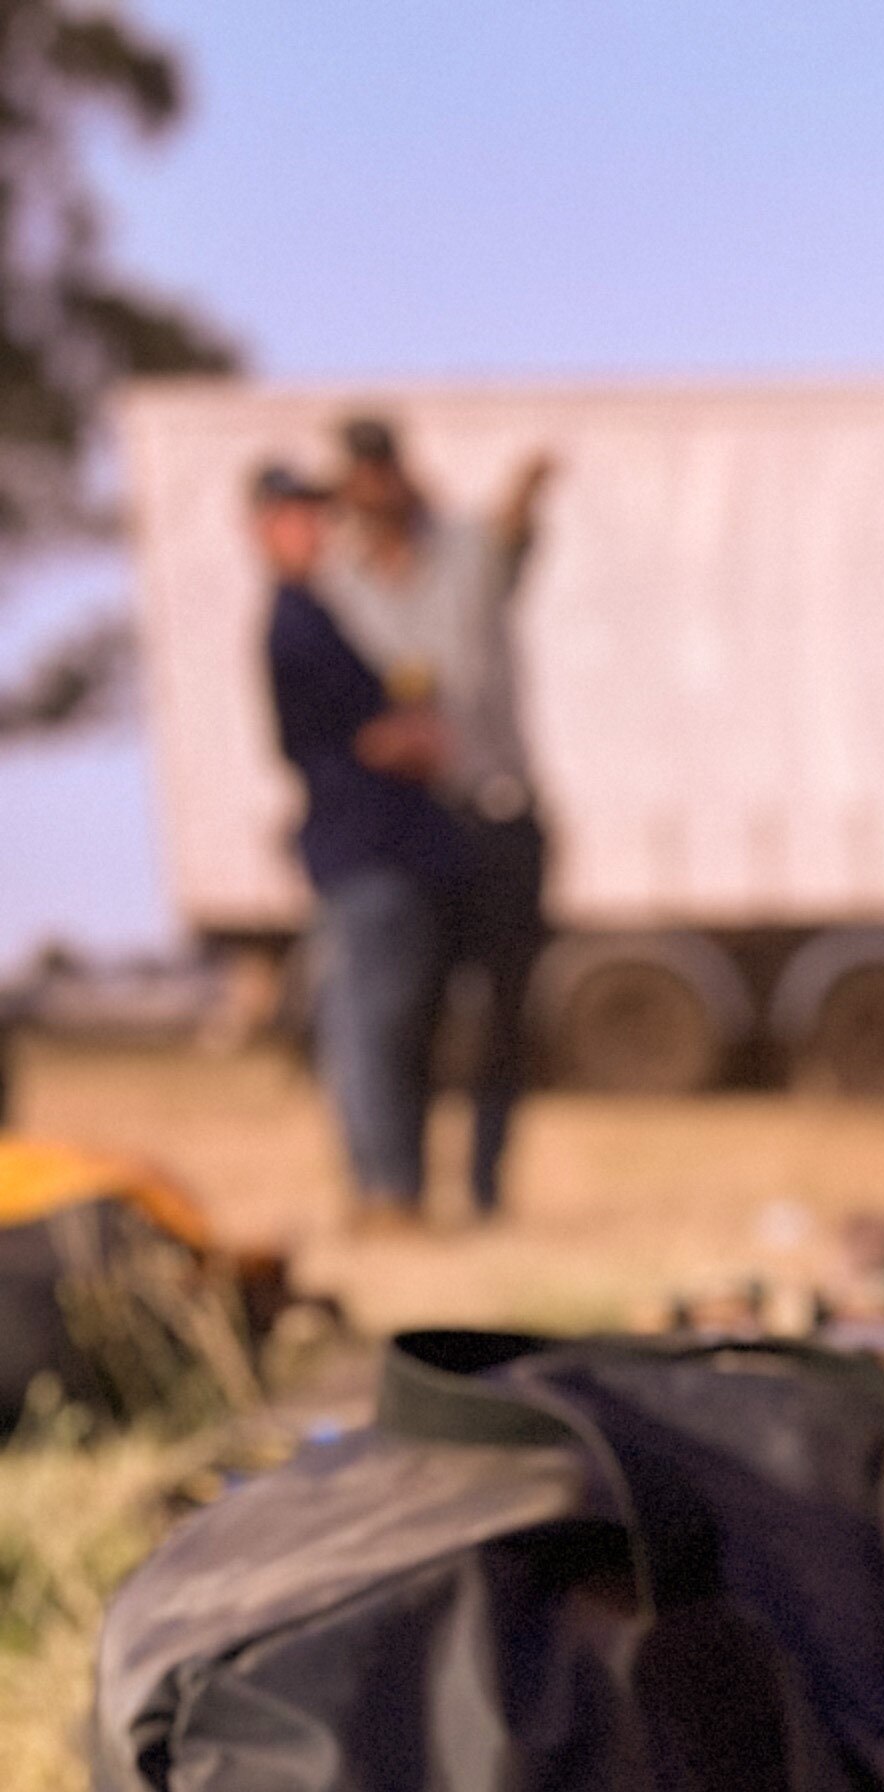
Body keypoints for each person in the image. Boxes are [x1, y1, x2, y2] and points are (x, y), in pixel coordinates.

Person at [319, 415, 555, 1219]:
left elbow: (511, 538)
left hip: (497, 810)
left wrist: (525, 494)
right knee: (405, 1013)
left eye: (385, 466)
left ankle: (488, 1189)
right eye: (361, 471)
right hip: (413, 832)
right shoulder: (339, 583)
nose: (376, 485)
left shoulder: (466, 551)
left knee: (501, 1018)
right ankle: (403, 1190)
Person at [248, 461, 465, 1226]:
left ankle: (394, 1186)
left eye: (319, 518)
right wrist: (401, 738)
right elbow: (343, 740)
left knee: (392, 1024)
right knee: (367, 1027)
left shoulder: (325, 614)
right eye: (297, 518)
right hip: (361, 853)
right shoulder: (294, 624)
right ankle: (385, 1193)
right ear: (265, 529)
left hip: (389, 852)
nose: (315, 533)